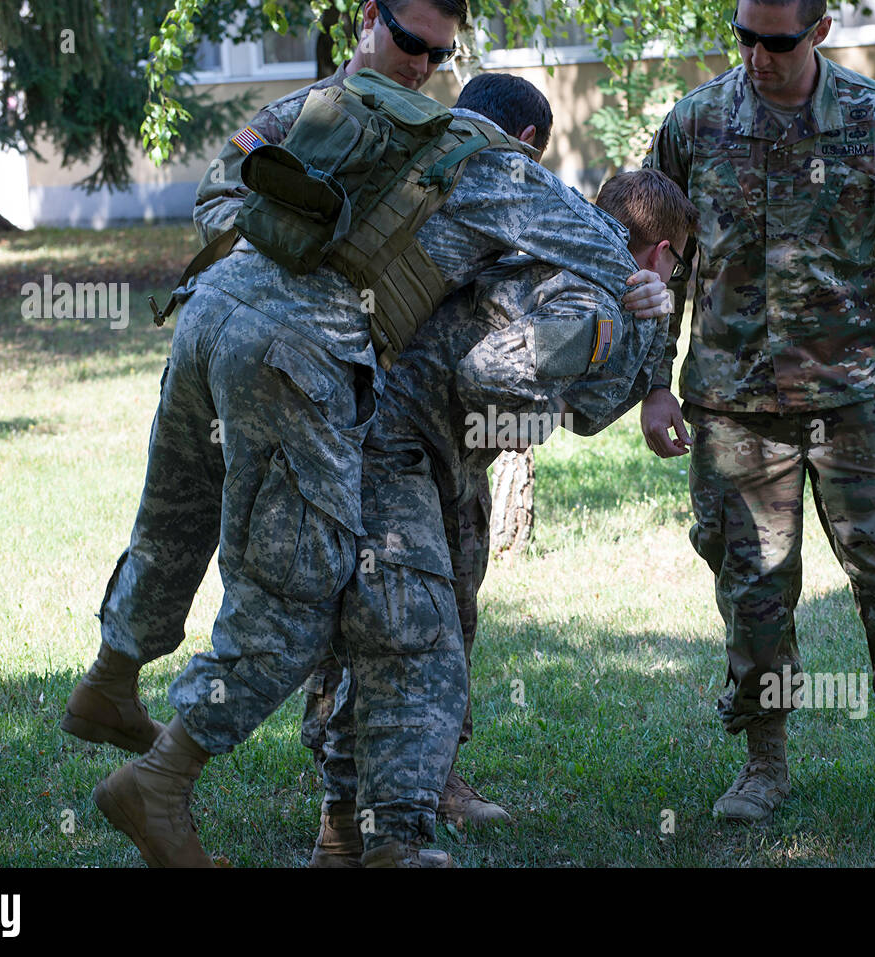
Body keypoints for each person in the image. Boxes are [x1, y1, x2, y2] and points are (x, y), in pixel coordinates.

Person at [63, 72, 669, 867]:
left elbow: (224, 188)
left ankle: (134, 692)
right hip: (346, 409)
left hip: (218, 312)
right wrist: (625, 326)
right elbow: (499, 377)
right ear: (522, 151)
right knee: (347, 619)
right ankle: (186, 779)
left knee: (187, 525)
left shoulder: (358, 124)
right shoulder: (531, 217)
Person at [640, 0, 875, 823]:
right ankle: (763, 765)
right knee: (754, 591)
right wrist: (654, 379)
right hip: (735, 410)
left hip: (860, 403)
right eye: (743, 38)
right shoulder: (695, 123)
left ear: (821, 30)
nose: (756, 56)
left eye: (776, 40)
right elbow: (657, 262)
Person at [311, 168, 697, 866]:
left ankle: (346, 833)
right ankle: (389, 839)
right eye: (679, 263)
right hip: (392, 448)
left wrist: (641, 327)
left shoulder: (576, 263)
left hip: (414, 450)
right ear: (662, 252)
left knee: (409, 634)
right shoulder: (593, 290)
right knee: (419, 643)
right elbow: (492, 375)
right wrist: (538, 408)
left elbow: (588, 399)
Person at [294, 70, 556, 829]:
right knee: (418, 611)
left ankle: (394, 770)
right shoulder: (497, 196)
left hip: (388, 434)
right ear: (529, 142)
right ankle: (380, 786)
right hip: (407, 440)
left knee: (386, 602)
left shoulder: (400, 170)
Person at [194, 0, 469, 245]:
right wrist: (282, 238)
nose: (421, 67)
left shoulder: (443, 142)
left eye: (438, 56)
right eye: (410, 43)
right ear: (371, 16)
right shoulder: (292, 117)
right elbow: (214, 203)